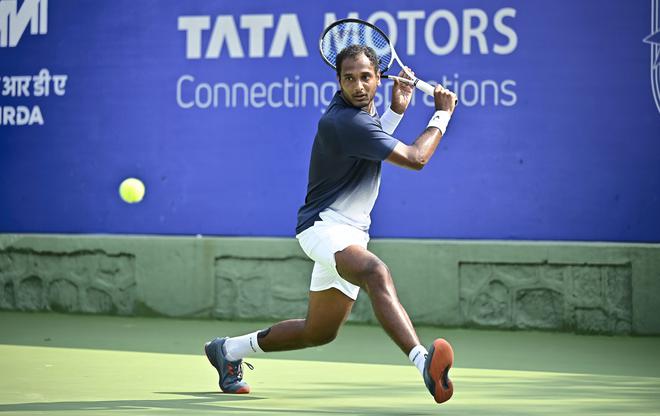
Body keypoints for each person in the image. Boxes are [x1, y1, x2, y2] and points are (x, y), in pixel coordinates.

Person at [205, 44, 458, 404]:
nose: (358, 86)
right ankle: (423, 363)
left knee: (318, 332)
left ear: (378, 78)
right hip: (322, 228)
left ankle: (226, 350)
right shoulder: (344, 121)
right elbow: (416, 158)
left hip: (351, 233)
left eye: (366, 77)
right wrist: (442, 115)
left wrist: (395, 111)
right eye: (349, 78)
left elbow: (368, 150)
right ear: (338, 81)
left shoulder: (359, 120)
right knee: (375, 272)